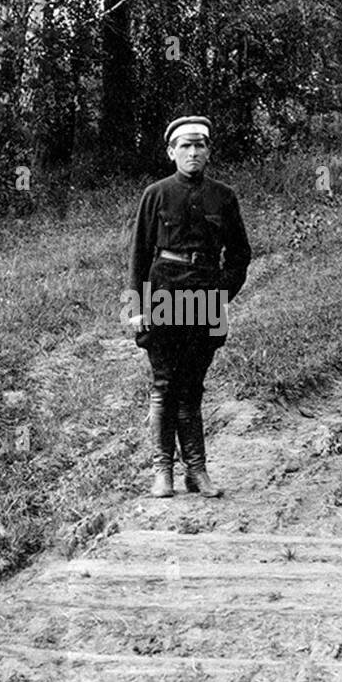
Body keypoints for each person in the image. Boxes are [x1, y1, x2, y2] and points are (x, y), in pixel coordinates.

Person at [123, 116, 252, 497]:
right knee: (164, 385)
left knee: (192, 387)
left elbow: (240, 253)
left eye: (200, 146)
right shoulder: (156, 194)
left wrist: (222, 292)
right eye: (185, 146)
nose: (193, 153)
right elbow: (138, 254)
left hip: (206, 297)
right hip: (164, 294)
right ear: (171, 152)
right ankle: (162, 470)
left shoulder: (223, 196)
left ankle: (196, 471)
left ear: (208, 151)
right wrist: (136, 307)